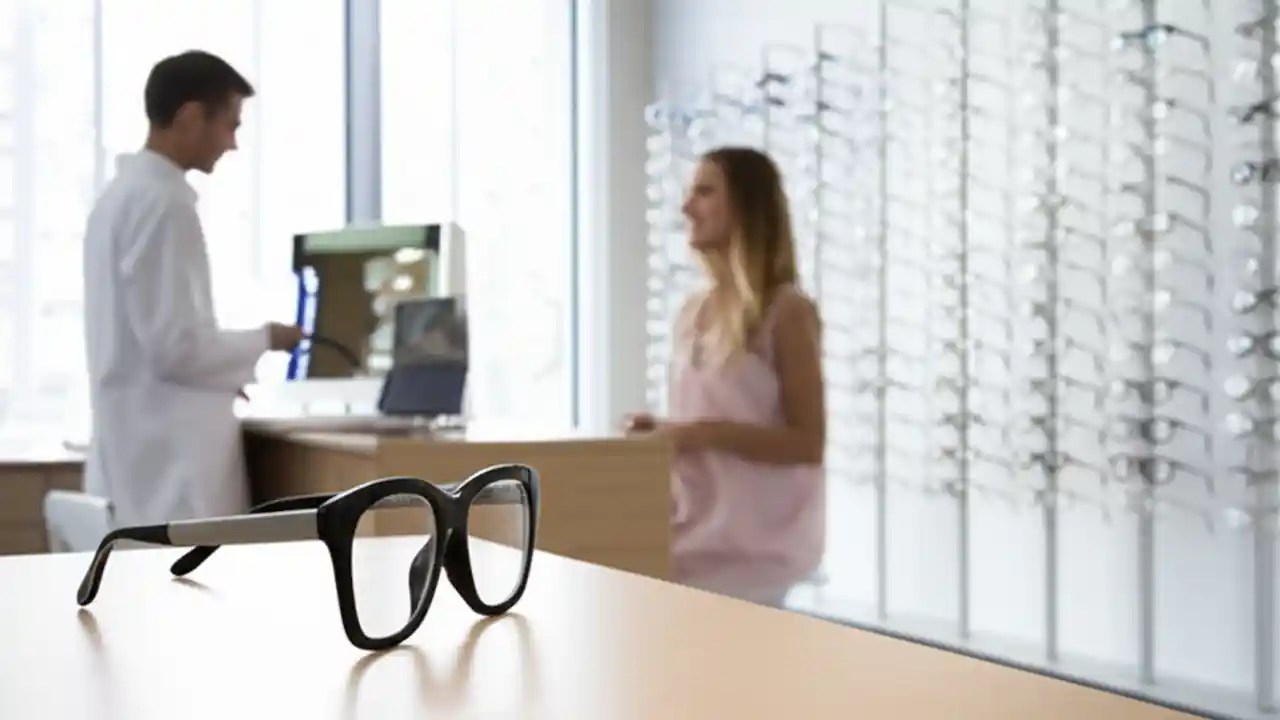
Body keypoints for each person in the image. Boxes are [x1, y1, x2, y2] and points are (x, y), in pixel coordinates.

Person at [81, 50, 303, 526]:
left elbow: (152, 343)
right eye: (231, 125)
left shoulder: (121, 200)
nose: (233, 144)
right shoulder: (161, 205)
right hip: (169, 473)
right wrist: (268, 338)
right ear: (189, 117)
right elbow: (176, 348)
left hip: (138, 454)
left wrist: (227, 371)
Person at [625, 146, 826, 607]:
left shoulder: (786, 312)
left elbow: (807, 441)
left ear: (746, 206)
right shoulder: (692, 312)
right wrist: (665, 431)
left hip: (752, 552)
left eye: (704, 191)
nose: (686, 207)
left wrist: (699, 433)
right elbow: (709, 415)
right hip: (690, 535)